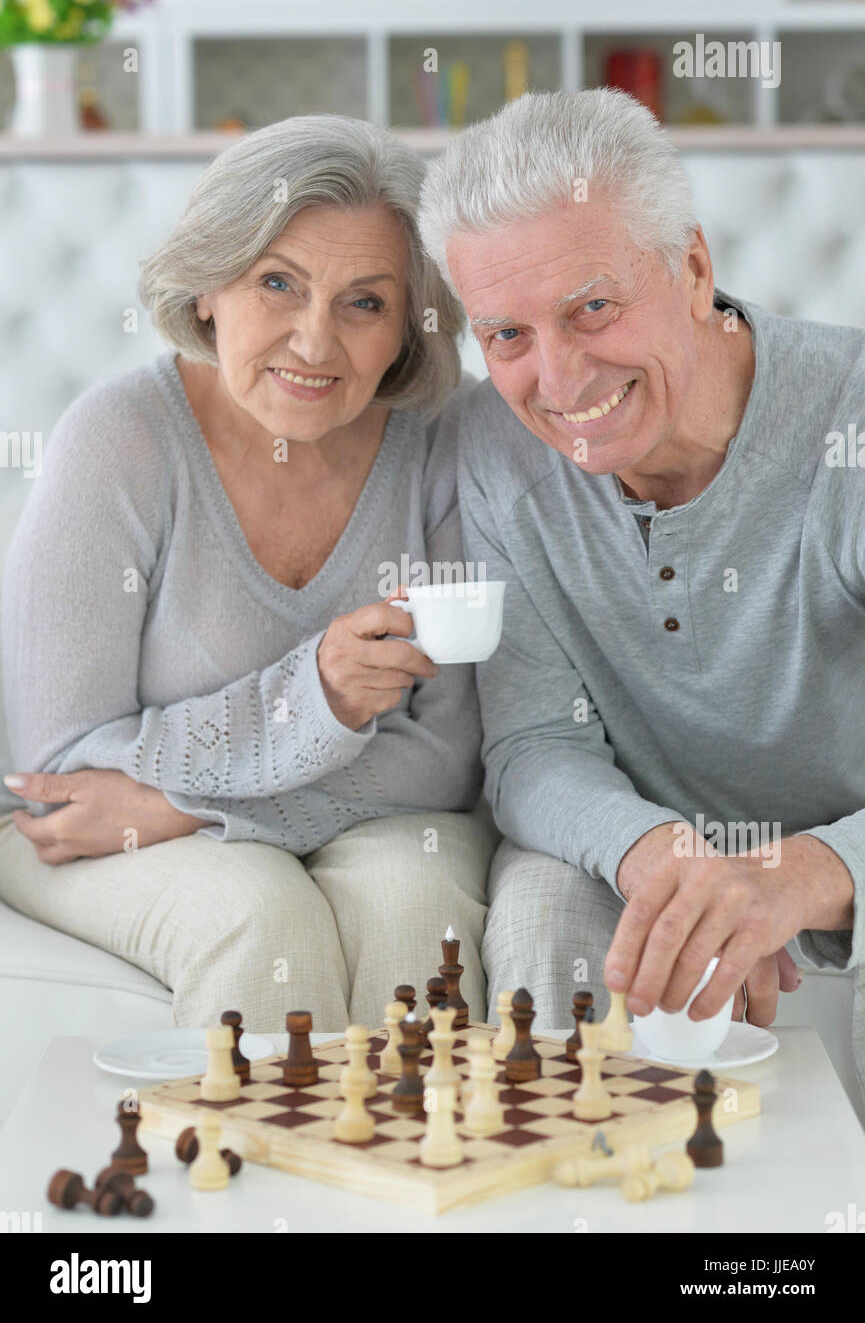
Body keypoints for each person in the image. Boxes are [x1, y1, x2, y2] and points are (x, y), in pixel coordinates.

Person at [0, 114, 497, 1032]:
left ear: (408, 331)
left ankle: (422, 1177)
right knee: (261, 919)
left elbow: (441, 761)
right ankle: (230, 1176)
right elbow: (63, 765)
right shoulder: (119, 440)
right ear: (207, 291)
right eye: (277, 283)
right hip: (78, 830)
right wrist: (318, 700)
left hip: (186, 809)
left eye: (365, 302)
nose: (314, 343)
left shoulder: (445, 441)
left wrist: (190, 807)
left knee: (414, 917)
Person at [417, 87, 863, 1097]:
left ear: (693, 269)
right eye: (507, 336)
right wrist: (665, 860)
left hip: (839, 858)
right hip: (638, 856)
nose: (559, 378)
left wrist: (792, 878)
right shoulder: (489, 449)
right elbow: (534, 746)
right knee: (538, 899)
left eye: (593, 308)